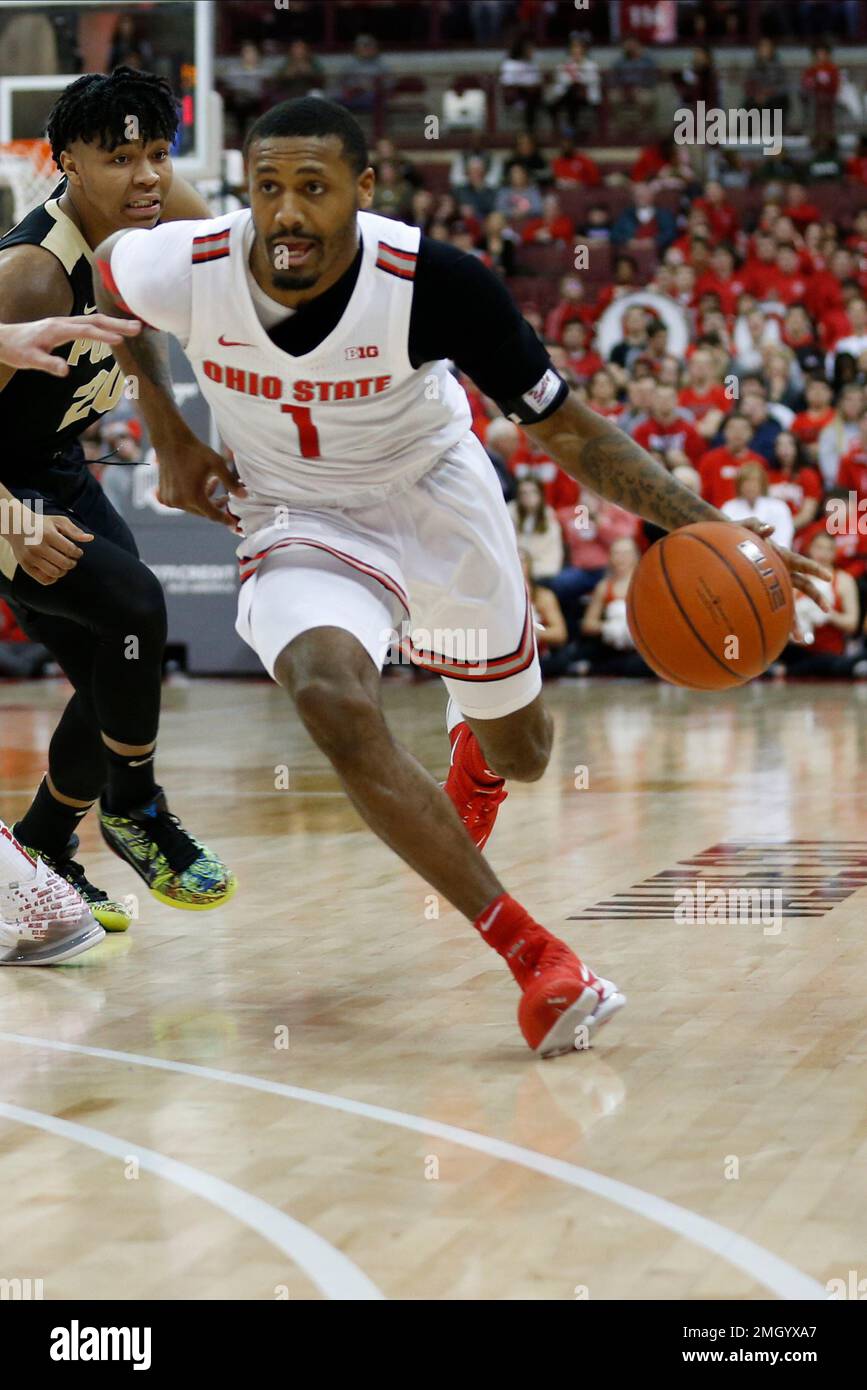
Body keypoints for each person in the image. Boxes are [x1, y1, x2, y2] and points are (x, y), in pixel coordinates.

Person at [95, 97, 828, 1058]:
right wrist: (172, 434)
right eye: (268, 187)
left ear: (364, 191)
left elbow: (567, 431)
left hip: (434, 496)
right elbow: (112, 284)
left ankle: (478, 762)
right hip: (293, 514)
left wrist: (709, 528)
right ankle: (537, 961)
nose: (286, 215)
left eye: (313, 188)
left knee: (524, 750)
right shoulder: (184, 266)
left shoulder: (436, 283)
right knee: (327, 693)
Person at [0, 67, 236, 934]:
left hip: (53, 462)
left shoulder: (154, 213)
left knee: (117, 662)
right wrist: (8, 519)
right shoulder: (29, 276)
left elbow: (162, 303)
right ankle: (135, 804)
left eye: (155, 155)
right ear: (63, 162)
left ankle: (43, 850)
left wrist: (175, 436)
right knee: (136, 605)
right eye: (118, 158)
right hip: (2, 487)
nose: (145, 177)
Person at [721, 462, 795, 548]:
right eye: (746, 482)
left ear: (762, 484)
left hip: (773, 557)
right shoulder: (728, 508)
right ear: (739, 485)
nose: (750, 486)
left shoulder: (779, 507)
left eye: (754, 482)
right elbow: (726, 539)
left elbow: (784, 541)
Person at [508, 477, 564, 580]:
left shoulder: (549, 518)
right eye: (524, 493)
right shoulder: (510, 514)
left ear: (541, 495)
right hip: (513, 570)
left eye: (533, 492)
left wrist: (529, 572)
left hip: (541, 573)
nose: (528, 497)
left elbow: (553, 557)